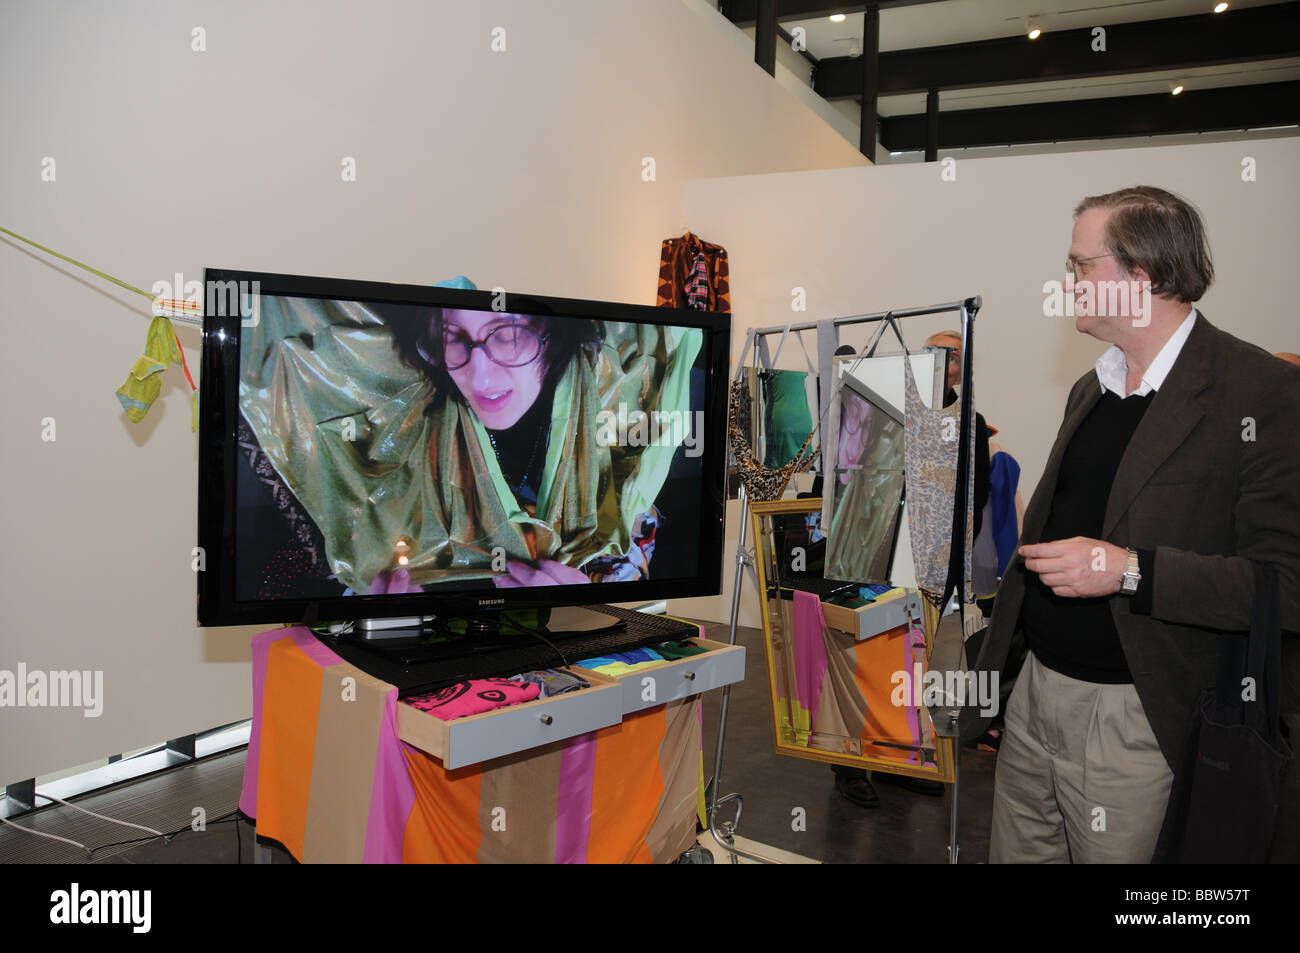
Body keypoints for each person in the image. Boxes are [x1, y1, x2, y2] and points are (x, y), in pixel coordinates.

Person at [974, 185, 1300, 863]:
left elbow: (1282, 585)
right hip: (1035, 698)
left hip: (1140, 718)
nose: (1067, 284)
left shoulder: (1259, 392)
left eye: (1080, 266)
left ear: (1142, 275)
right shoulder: (1090, 387)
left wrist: (1129, 568)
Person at [239, 295, 703, 596]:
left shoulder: (609, 407)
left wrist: (592, 604)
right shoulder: (405, 425)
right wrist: (371, 620)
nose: (479, 378)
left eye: (507, 334)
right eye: (452, 338)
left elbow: (637, 571)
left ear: (549, 328)